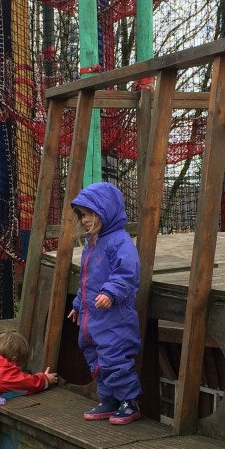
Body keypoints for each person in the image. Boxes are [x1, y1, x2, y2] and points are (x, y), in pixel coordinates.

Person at [67, 182, 143, 425]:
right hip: (93, 318)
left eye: (90, 214)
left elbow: (128, 272)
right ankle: (109, 398)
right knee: (95, 356)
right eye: (83, 215)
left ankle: (128, 402)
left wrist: (111, 292)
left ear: (105, 212)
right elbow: (86, 280)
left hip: (114, 317)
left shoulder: (119, 241)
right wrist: (78, 304)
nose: (86, 220)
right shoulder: (92, 244)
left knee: (115, 357)